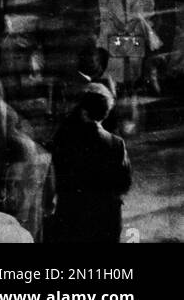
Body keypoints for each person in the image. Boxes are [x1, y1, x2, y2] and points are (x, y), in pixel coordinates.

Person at [49, 87, 132, 244]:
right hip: (106, 217)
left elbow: (56, 177)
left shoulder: (65, 139)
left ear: (83, 111)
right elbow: (124, 183)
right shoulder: (116, 143)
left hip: (71, 214)